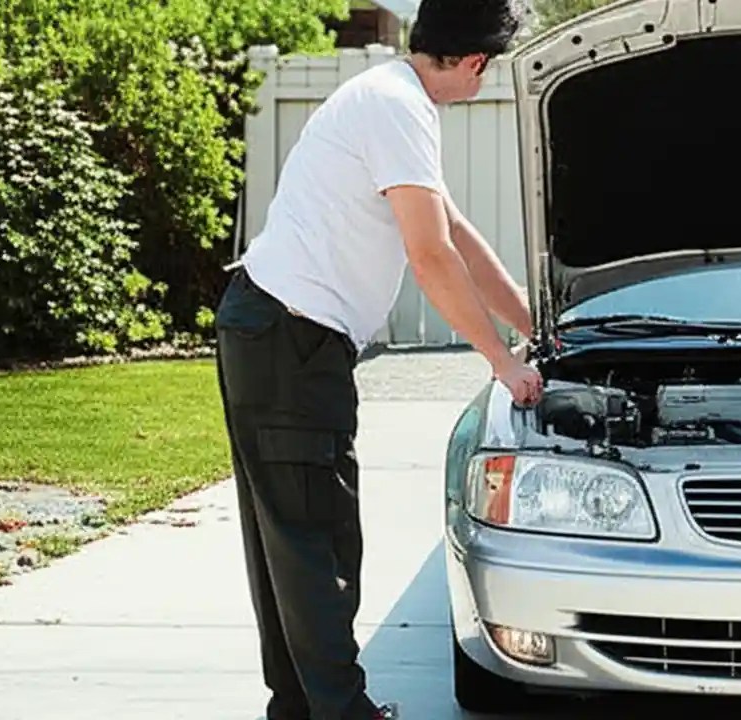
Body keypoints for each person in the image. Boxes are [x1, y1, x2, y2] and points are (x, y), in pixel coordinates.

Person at [212, 0, 539, 717]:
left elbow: (454, 231)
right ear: (476, 61)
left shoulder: (393, 99)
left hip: (277, 334)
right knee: (314, 545)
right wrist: (501, 362)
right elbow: (429, 256)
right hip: (289, 340)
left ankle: (301, 709)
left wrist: (532, 322)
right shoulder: (398, 108)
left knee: (295, 544)